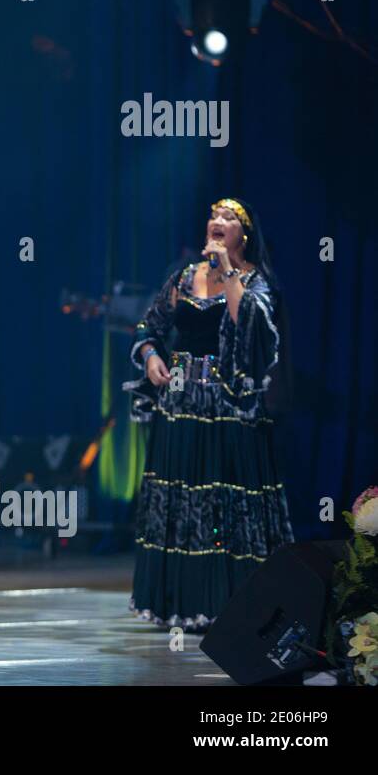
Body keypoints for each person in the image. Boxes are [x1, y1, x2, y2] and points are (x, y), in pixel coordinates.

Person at [125, 198, 294, 630]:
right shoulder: (184, 276)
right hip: (180, 403)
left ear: (245, 233)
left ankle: (228, 604)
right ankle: (181, 603)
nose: (217, 223)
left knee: (224, 504)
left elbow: (248, 330)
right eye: (213, 216)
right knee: (183, 501)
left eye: (228, 219)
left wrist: (228, 270)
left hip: (229, 405)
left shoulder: (255, 281)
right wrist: (149, 358)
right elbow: (149, 326)